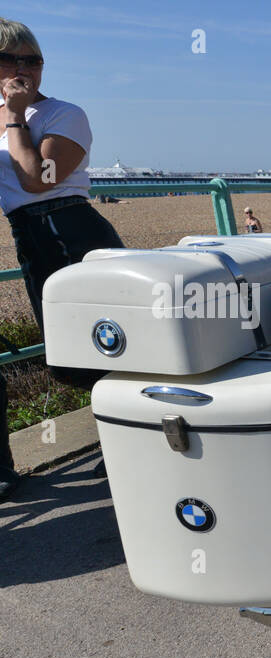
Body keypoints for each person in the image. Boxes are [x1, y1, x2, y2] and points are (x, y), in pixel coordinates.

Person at [0, 17, 125, 502]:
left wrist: (14, 115)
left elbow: (38, 179)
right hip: (31, 239)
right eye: (13, 59)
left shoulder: (63, 114)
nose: (25, 68)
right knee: (67, 355)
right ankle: (125, 434)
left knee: (107, 345)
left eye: (34, 59)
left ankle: (131, 436)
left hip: (71, 231)